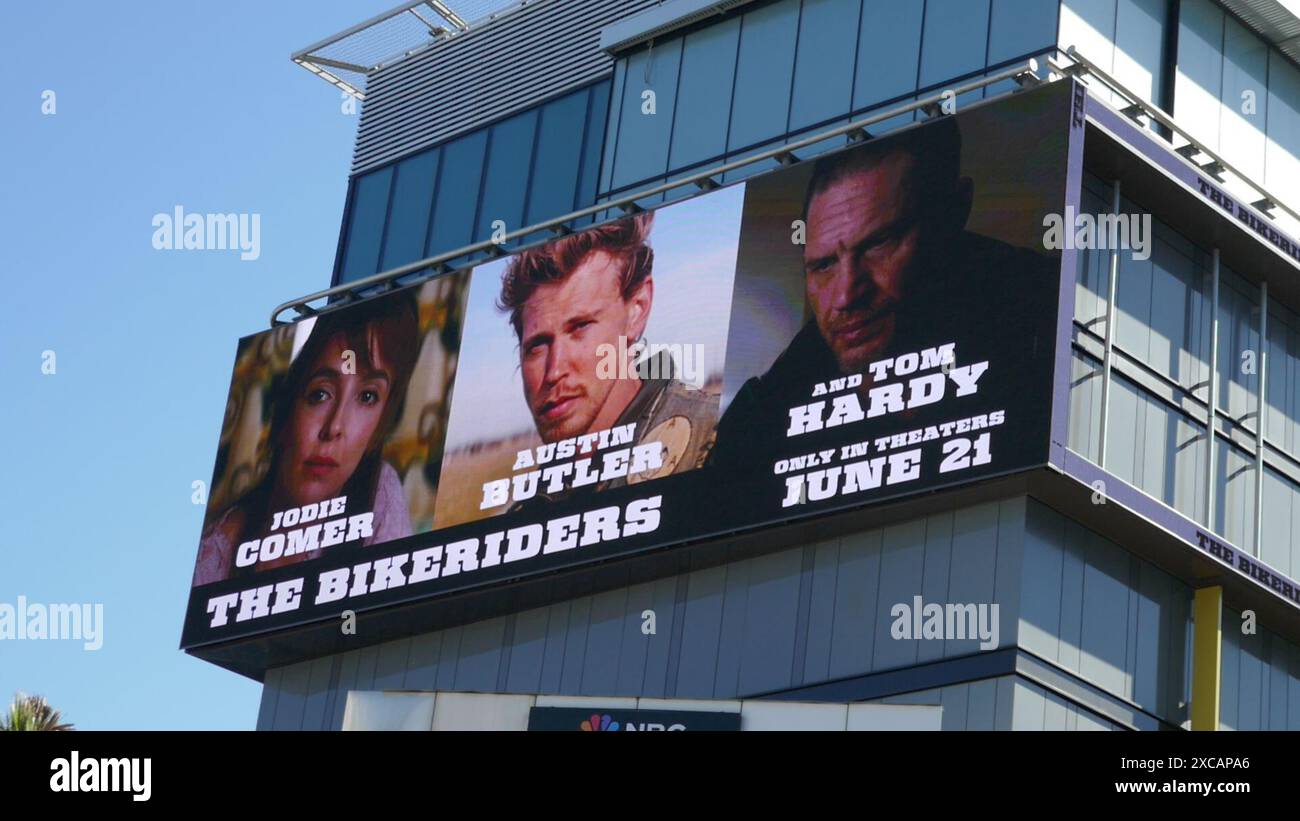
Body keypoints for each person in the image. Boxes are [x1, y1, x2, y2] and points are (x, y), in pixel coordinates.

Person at [709, 117, 1055, 472]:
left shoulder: (1051, 326)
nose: (846, 296)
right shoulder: (767, 412)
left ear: (953, 213)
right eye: (823, 265)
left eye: (877, 244)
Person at [192, 292, 420, 585]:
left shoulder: (380, 493)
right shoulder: (212, 560)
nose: (334, 426)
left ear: (380, 422)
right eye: (320, 394)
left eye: (367, 396)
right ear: (288, 410)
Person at [497, 212, 715, 500]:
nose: (554, 371)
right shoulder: (523, 512)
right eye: (537, 345)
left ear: (638, 307)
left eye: (580, 327)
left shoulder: (712, 436)